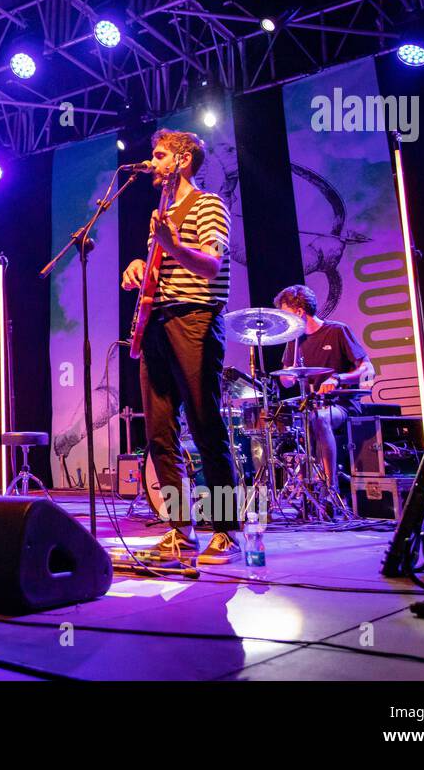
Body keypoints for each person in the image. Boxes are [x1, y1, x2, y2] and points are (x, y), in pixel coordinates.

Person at [121, 129, 239, 564]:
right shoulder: (161, 211)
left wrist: (170, 244)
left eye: (159, 155)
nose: (151, 162)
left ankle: (228, 531)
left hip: (195, 318)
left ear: (183, 160)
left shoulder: (208, 204)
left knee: (207, 425)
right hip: (156, 323)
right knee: (159, 434)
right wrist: (141, 262)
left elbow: (210, 264)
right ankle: (180, 529)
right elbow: (159, 265)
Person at [273, 284, 374, 491]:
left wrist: (338, 378)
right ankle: (303, 483)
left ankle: (330, 486)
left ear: (299, 312)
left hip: (342, 404)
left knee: (319, 418)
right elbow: (285, 379)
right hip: (311, 405)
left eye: (286, 314)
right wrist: (289, 376)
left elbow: (367, 368)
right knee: (286, 419)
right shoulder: (295, 342)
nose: (285, 320)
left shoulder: (337, 331)